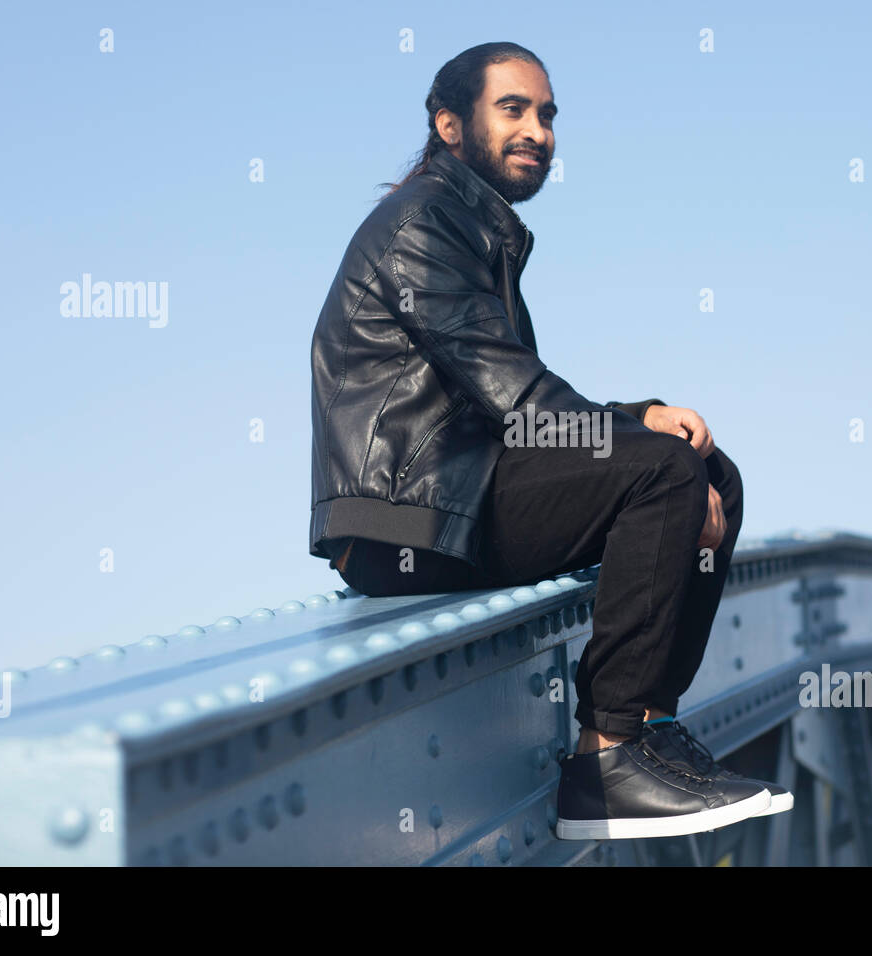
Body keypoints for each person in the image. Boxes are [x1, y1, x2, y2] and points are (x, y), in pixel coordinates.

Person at [309, 41, 792, 840]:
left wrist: (637, 418)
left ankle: (649, 730)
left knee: (706, 466)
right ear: (450, 125)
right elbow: (521, 403)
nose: (538, 130)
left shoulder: (474, 228)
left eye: (547, 115)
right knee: (667, 473)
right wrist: (642, 448)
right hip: (403, 521)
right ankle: (606, 762)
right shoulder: (422, 224)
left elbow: (513, 402)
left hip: (460, 492)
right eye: (514, 109)